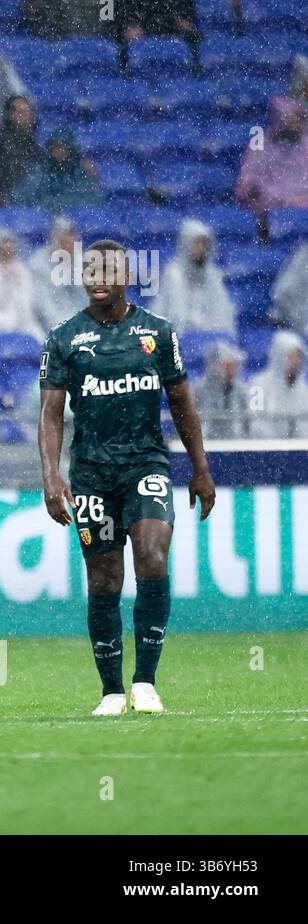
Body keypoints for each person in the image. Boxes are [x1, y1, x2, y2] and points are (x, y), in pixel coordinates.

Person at [39, 240, 215, 717]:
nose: (97, 278)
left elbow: (182, 403)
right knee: (105, 577)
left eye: (107, 270)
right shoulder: (63, 338)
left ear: (127, 275)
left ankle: (146, 682)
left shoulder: (157, 333)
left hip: (146, 465)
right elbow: (52, 414)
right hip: (92, 474)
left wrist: (201, 467)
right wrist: (52, 477)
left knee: (153, 555)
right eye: (89, 270)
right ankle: (112, 690)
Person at [151, 219, 236, 336]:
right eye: (197, 244)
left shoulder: (214, 275)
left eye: (205, 244)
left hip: (209, 338)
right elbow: (176, 316)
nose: (201, 249)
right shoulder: (174, 274)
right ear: (185, 245)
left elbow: (222, 314)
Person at [0, 94, 43, 209]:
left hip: (29, 203)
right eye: (19, 111)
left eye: (28, 111)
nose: (25, 116)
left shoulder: (34, 147)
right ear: (9, 114)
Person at [10, 128, 102, 213]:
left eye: (63, 148)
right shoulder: (40, 169)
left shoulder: (80, 171)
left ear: (71, 149)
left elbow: (93, 200)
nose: (59, 152)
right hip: (43, 221)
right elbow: (21, 196)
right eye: (55, 148)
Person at [29, 216, 86, 332]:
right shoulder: (39, 262)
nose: (69, 246)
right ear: (54, 240)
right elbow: (43, 305)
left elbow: (87, 298)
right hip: (46, 325)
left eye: (72, 241)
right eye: (64, 241)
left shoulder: (82, 260)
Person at [249, 330, 308, 437]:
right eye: (291, 357)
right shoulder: (258, 384)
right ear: (279, 356)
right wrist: (277, 446)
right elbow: (254, 422)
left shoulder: (303, 389)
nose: (296, 362)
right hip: (266, 449)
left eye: (298, 357)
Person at [192, 340, 250, 439]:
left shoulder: (241, 390)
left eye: (234, 365)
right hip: (207, 442)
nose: (232, 370)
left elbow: (247, 420)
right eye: (227, 365)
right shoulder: (200, 389)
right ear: (214, 365)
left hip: (237, 443)